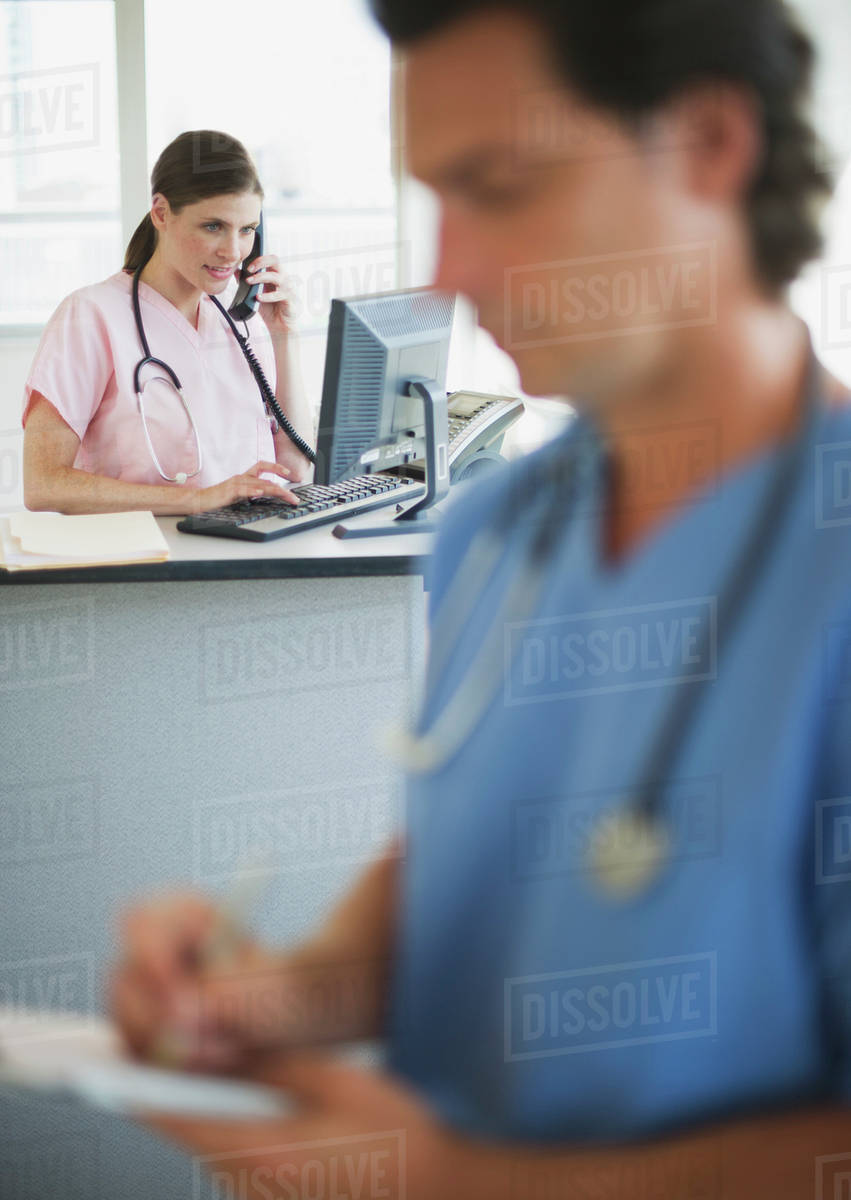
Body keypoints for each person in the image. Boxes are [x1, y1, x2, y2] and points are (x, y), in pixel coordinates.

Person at [111, 1, 851, 1196]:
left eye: (498, 187)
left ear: (710, 145)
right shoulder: (495, 535)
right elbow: (458, 863)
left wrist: (455, 1181)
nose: (448, 271)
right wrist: (277, 996)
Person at [22, 130, 313, 516]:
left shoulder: (244, 322)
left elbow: (296, 469)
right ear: (161, 212)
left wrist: (283, 336)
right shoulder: (90, 315)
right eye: (213, 226)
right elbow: (44, 485)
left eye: (246, 230)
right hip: (147, 561)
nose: (232, 252)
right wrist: (194, 499)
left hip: (247, 550)